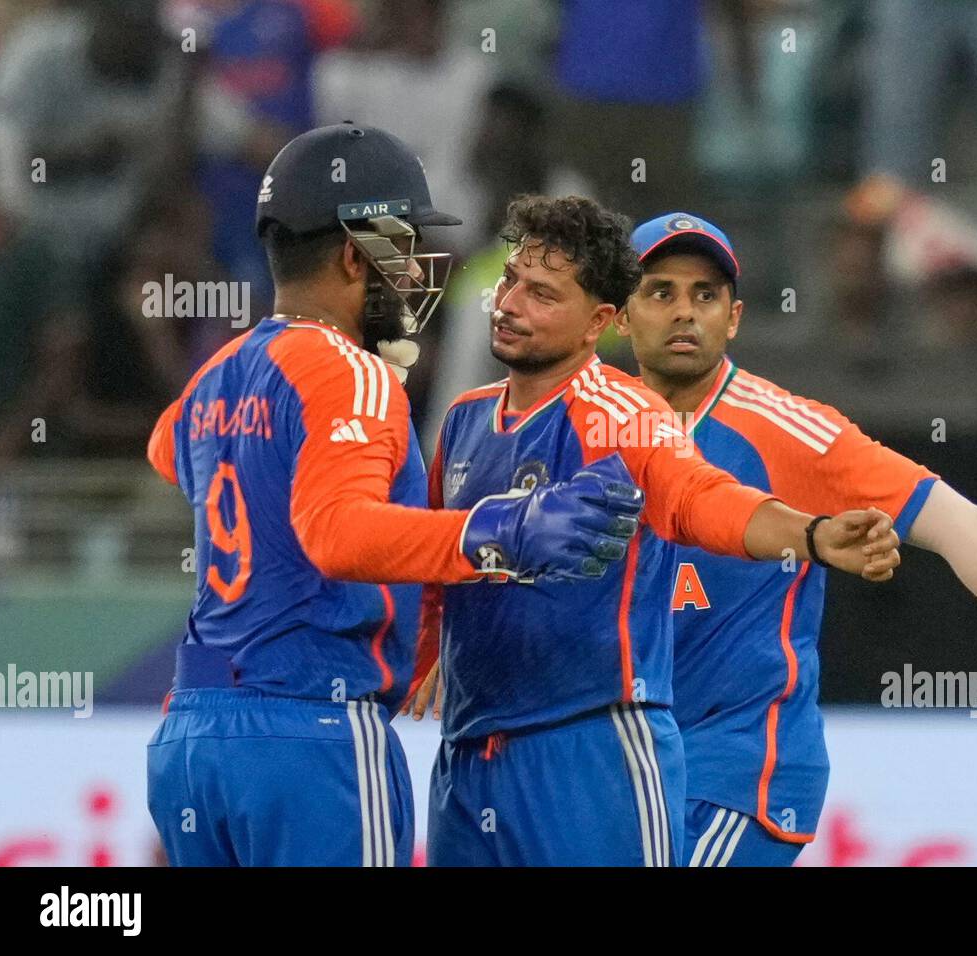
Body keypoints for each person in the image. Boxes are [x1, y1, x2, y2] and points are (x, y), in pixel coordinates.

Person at [144, 125, 643, 866]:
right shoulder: (351, 371)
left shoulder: (220, 371)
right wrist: (500, 531)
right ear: (354, 254)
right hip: (310, 730)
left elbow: (169, 452)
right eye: (402, 245)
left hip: (190, 737)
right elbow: (339, 537)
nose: (414, 271)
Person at [614, 211, 977, 866]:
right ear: (617, 314)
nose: (684, 312)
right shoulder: (580, 426)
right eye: (660, 291)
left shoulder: (790, 430)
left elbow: (962, 527)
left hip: (738, 769)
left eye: (705, 294)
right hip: (620, 767)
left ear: (735, 317)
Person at [411, 195, 902, 866]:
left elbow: (703, 499)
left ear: (598, 323)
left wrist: (811, 536)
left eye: (543, 294)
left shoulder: (625, 414)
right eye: (512, 283)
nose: (510, 305)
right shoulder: (464, 421)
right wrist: (420, 649)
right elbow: (433, 561)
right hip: (470, 754)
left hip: (588, 748)